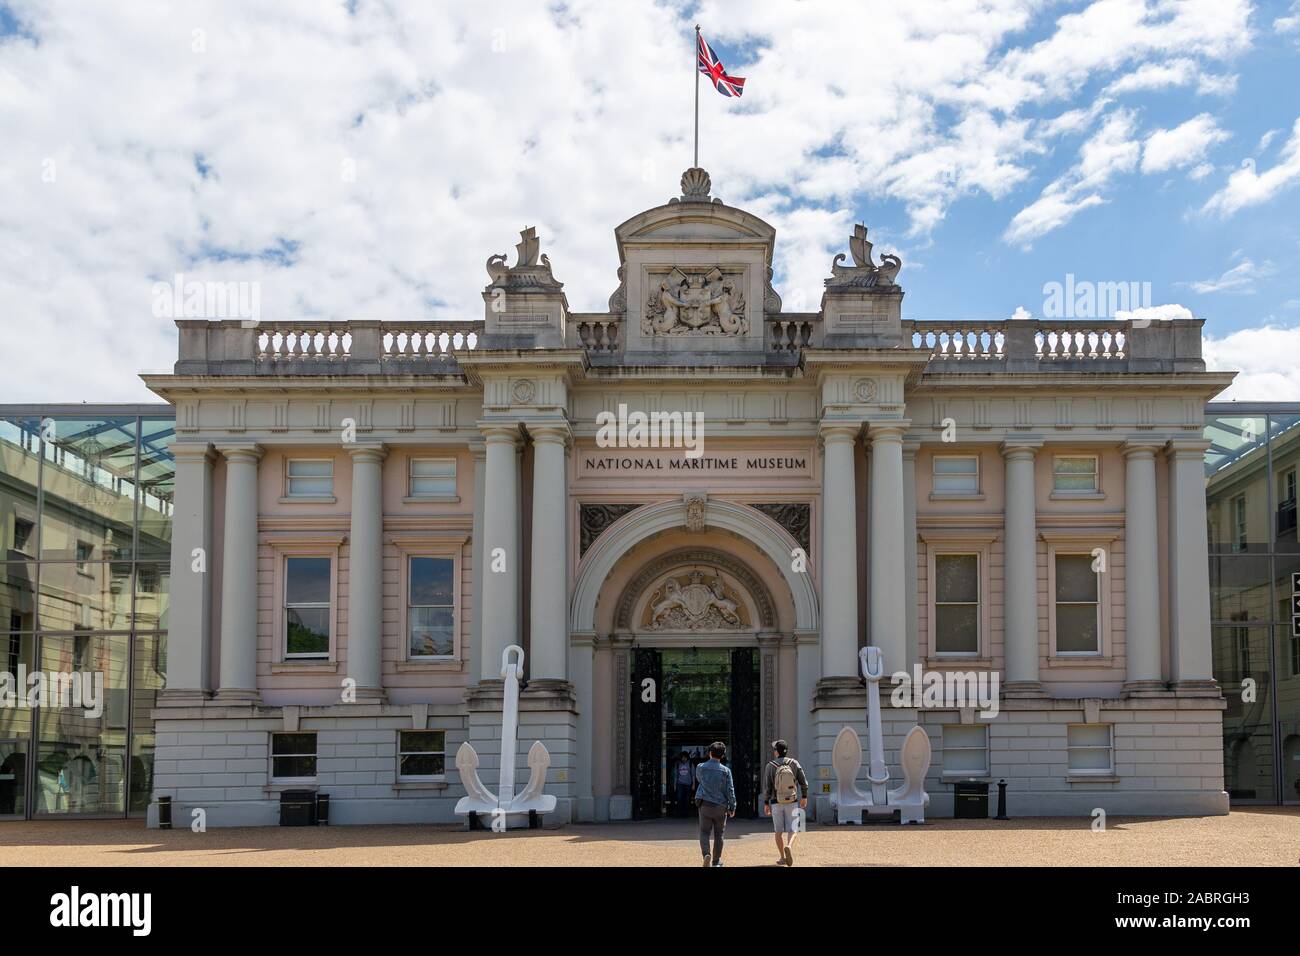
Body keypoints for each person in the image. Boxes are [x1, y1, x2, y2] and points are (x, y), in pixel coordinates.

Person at [761, 739, 808, 866]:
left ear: (776, 752)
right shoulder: (794, 763)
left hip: (776, 802)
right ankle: (789, 846)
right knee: (793, 829)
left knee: (778, 831)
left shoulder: (770, 766)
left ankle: (782, 857)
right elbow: (803, 781)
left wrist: (766, 803)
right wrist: (804, 796)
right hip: (792, 800)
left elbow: (767, 787)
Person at [694, 741, 736, 867]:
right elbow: (730, 790)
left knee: (704, 832)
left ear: (710, 753)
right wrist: (732, 806)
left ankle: (706, 854)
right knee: (719, 834)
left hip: (705, 804)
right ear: (723, 755)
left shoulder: (700, 767)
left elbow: (699, 780)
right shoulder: (726, 770)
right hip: (721, 806)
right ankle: (716, 861)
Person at [673, 751, 694, 817]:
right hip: (680, 784)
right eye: (682, 757)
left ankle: (686, 813)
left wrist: (693, 784)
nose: (683, 759)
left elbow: (693, 775)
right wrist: (675, 785)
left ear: (687, 758)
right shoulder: (678, 764)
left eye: (685, 757)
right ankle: (679, 813)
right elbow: (676, 775)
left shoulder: (690, 764)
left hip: (688, 784)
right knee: (679, 798)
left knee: (687, 799)